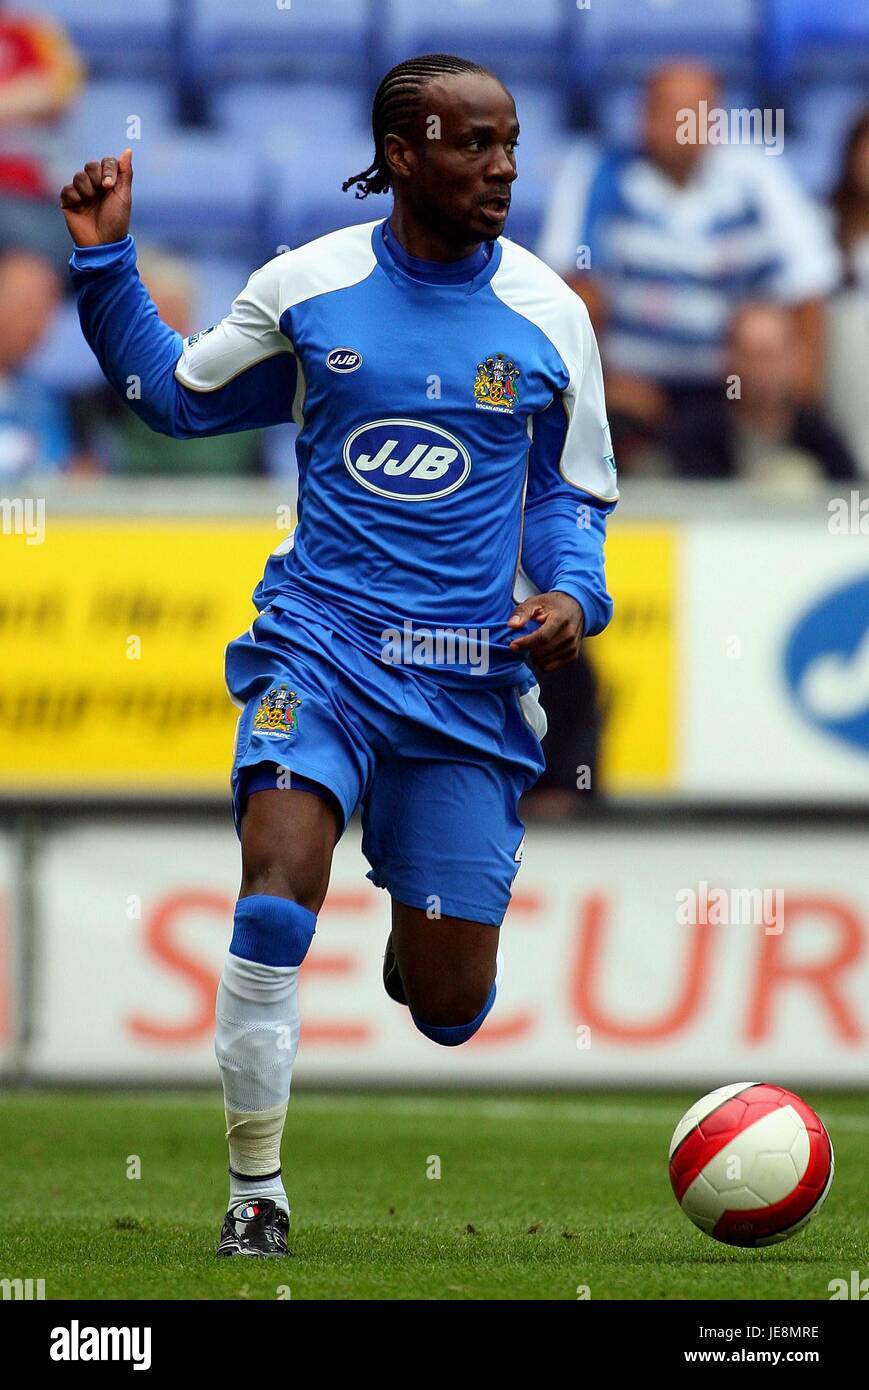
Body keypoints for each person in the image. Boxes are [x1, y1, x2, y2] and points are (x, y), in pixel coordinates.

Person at [60, 53, 617, 1258]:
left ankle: (416, 954)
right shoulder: (305, 288)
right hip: (320, 645)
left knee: (452, 1008)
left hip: (465, 679)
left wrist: (574, 593)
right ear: (403, 155)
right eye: (473, 144)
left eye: (511, 143)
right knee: (276, 887)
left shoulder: (546, 315)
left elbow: (565, 496)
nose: (503, 168)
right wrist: (105, 262)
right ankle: (256, 1190)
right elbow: (171, 396)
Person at [538, 62, 840, 467]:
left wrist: (800, 390)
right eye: (673, 112)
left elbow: (809, 283)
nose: (686, 126)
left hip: (732, 389)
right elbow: (571, 293)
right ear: (644, 117)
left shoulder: (757, 175)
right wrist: (602, 383)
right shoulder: (597, 173)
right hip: (633, 387)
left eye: (698, 112)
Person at [666, 302, 857, 488]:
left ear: (795, 357)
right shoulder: (698, 434)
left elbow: (852, 500)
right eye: (751, 355)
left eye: (771, 355)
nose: (762, 369)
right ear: (730, 360)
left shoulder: (819, 437)